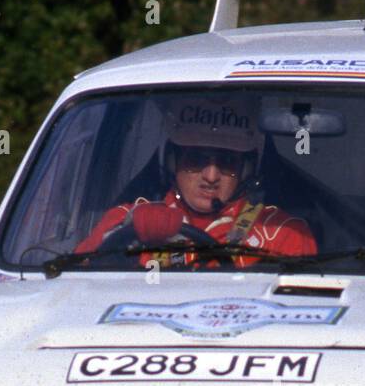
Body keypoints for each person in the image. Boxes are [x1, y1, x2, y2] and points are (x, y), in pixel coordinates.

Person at [75, 97, 316, 267]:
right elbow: (77, 284)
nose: (211, 176)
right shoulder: (127, 220)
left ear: (247, 169)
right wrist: (127, 233)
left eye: (227, 162)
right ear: (172, 161)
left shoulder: (283, 233)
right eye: (196, 159)